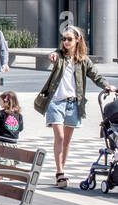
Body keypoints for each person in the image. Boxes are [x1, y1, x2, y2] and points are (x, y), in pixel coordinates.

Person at [38, 25, 115, 187]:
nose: (66, 42)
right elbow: (53, 55)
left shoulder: (83, 61)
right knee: (59, 137)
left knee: (66, 140)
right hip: (56, 102)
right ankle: (59, 173)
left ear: (77, 40)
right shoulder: (59, 56)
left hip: (74, 103)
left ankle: (62, 170)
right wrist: (51, 55)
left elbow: (96, 75)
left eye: (69, 39)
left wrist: (107, 86)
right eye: (64, 39)